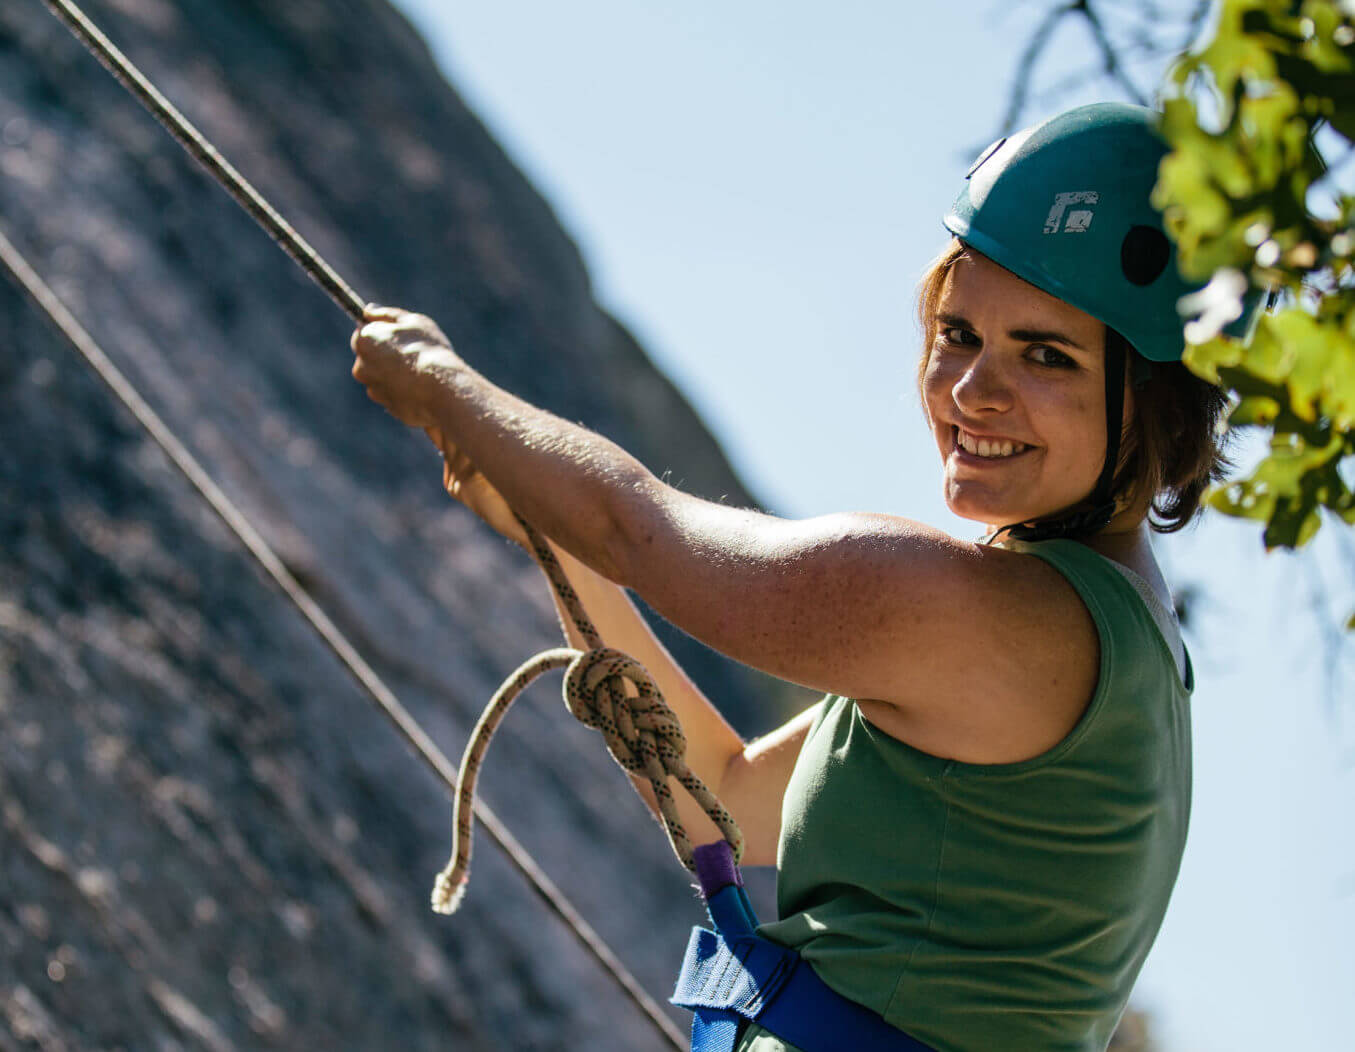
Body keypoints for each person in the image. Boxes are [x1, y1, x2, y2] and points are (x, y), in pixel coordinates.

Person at [350, 103, 1253, 1052]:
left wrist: (442, 383)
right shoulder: (1101, 649)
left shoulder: (997, 619)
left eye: (1045, 355)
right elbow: (728, 794)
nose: (969, 390)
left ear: (1155, 398)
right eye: (956, 333)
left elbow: (638, 529)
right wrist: (563, 551)